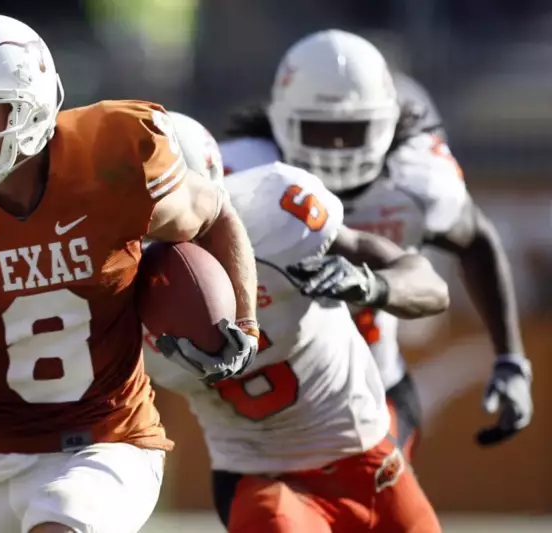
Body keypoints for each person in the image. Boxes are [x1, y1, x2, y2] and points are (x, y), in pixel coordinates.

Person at [0, 12, 260, 533]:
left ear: (34, 106)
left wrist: (244, 322)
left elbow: (215, 212)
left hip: (108, 443)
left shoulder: (111, 160)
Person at [219, 29, 532, 459]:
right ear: (282, 120)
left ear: (386, 120)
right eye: (319, 131)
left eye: (351, 130)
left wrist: (511, 359)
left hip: (374, 391)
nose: (337, 149)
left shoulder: (416, 181)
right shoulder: (243, 176)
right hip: (270, 402)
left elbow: (476, 242)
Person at [145, 111, 450, 532]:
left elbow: (431, 288)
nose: (168, 230)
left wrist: (371, 285)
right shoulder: (113, 292)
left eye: (175, 208)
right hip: (258, 477)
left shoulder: (279, 211)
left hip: (364, 456)